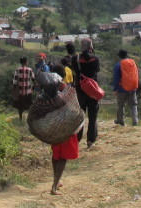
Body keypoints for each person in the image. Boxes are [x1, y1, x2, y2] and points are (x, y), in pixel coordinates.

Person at [47, 63, 79, 195]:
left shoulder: (48, 89)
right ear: (64, 75)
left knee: (56, 154)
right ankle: (55, 185)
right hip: (66, 126)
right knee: (63, 156)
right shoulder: (67, 89)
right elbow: (74, 109)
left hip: (53, 126)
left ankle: (57, 180)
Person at [72, 37, 100, 148]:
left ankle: (77, 139)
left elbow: (74, 70)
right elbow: (97, 70)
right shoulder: (95, 59)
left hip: (80, 90)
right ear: (90, 46)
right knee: (93, 116)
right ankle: (90, 141)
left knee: (80, 116)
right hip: (92, 89)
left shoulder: (76, 58)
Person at [112, 49, 139, 126]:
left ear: (119, 56)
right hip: (133, 88)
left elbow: (116, 78)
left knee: (120, 105)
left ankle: (120, 121)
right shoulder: (132, 63)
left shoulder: (118, 65)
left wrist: (115, 89)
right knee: (133, 105)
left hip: (121, 89)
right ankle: (135, 121)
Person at [12, 56, 34, 121]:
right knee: (29, 105)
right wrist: (34, 86)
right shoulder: (30, 70)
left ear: (20, 62)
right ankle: (30, 118)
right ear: (26, 62)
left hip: (20, 91)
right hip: (28, 91)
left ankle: (20, 118)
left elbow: (15, 81)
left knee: (20, 106)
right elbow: (33, 78)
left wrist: (14, 89)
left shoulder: (17, 70)